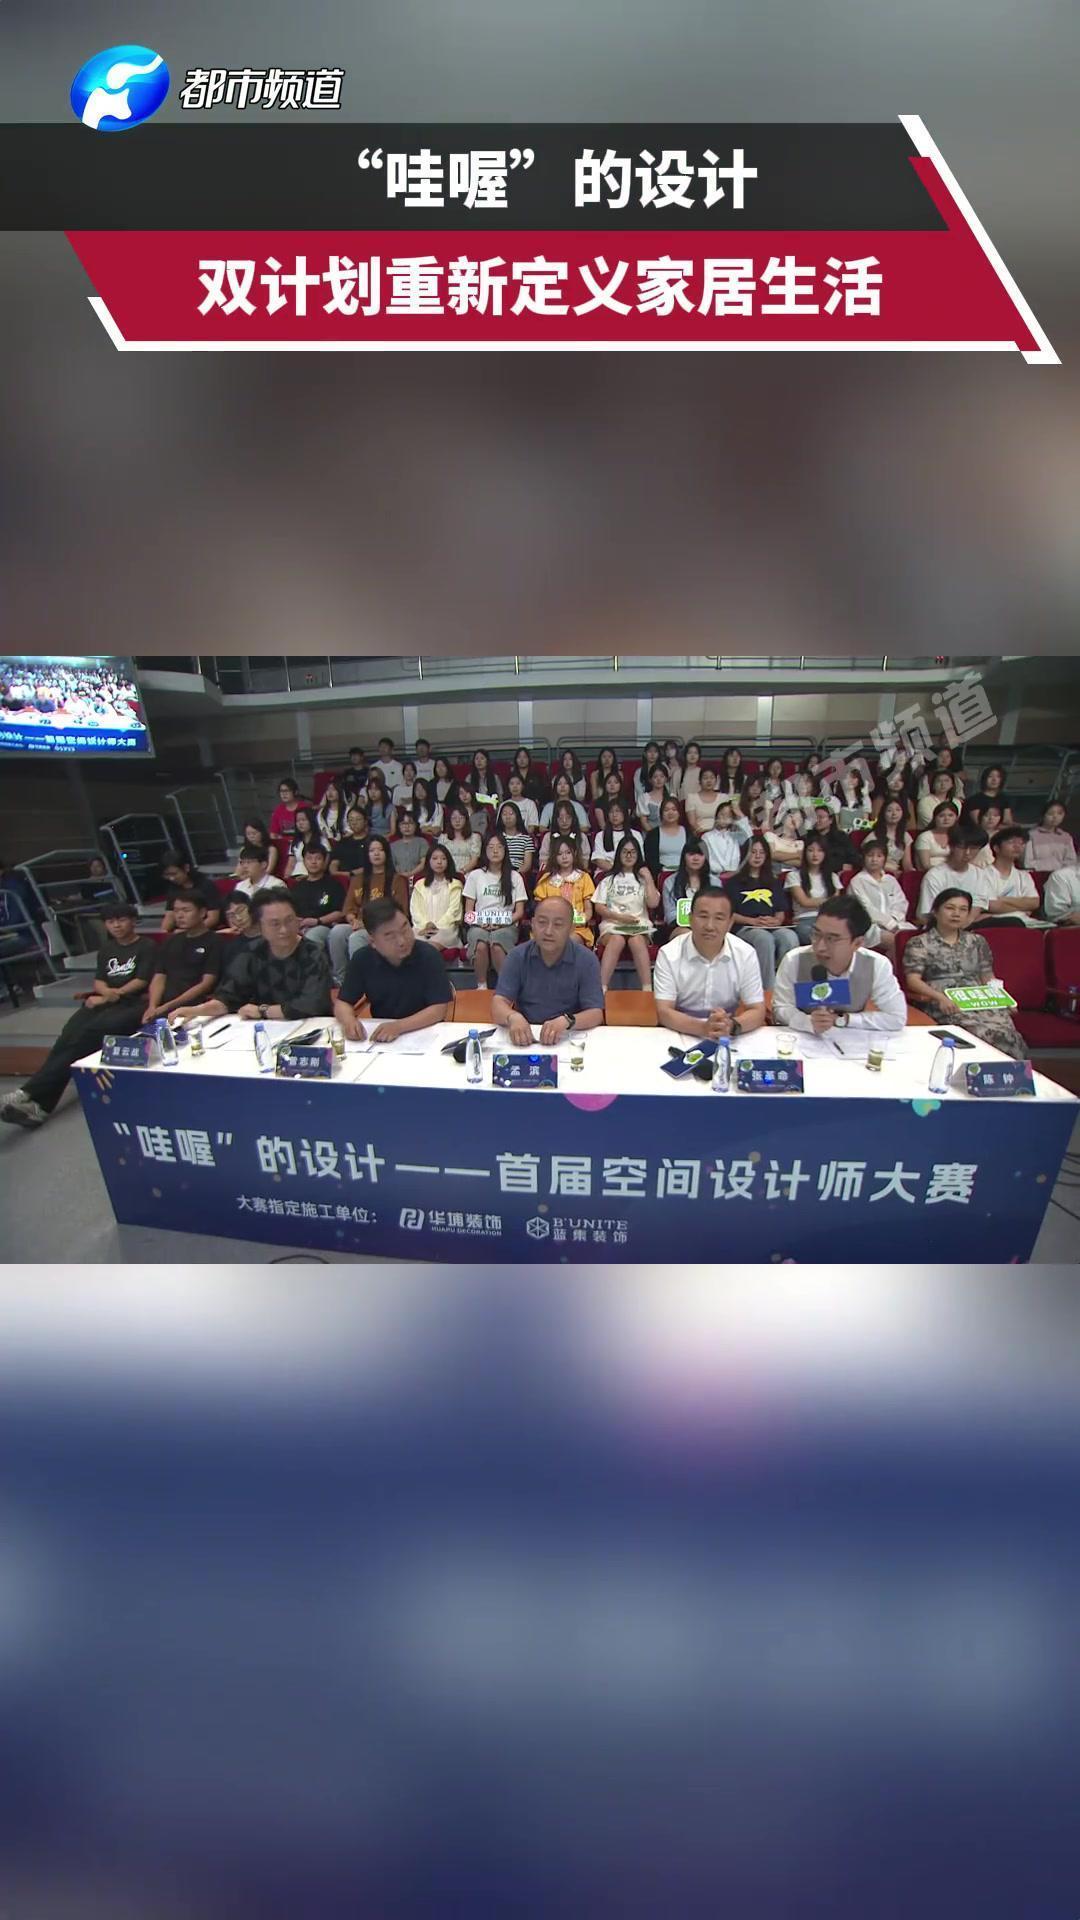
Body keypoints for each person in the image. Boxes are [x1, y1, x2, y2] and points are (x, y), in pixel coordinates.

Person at [1, 899, 158, 1130]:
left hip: (133, 1004)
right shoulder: (107, 949)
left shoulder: (147, 946)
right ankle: (39, 1107)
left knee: (84, 1038)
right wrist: (105, 994)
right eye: (110, 921)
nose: (116, 925)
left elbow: (141, 981)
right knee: (68, 1036)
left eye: (121, 920)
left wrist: (109, 996)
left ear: (133, 921)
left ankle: (29, 1093)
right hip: (104, 1001)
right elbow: (99, 980)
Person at [903, 890, 1029, 1059]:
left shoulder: (977, 941)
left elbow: (987, 976)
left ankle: (1012, 1074)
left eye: (963, 910)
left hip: (977, 998)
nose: (956, 914)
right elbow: (913, 980)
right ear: (936, 911)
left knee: (1008, 1033)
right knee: (980, 1033)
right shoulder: (919, 943)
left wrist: (1004, 999)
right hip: (944, 1000)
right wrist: (940, 998)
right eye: (950, 908)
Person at [184, 889, 333, 1023]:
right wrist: (196, 1011)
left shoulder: (314, 953)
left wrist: (263, 1011)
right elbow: (228, 997)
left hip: (311, 1026)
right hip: (267, 1027)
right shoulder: (251, 952)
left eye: (289, 920)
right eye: (275, 924)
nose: (284, 929)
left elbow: (312, 1004)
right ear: (259, 926)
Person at [773, 894, 907, 1034]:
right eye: (816, 934)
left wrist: (844, 1020)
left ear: (857, 943)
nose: (820, 947)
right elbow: (781, 1008)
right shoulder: (794, 960)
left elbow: (896, 1017)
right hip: (805, 1036)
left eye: (832, 939)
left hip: (852, 1038)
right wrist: (806, 1021)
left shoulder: (875, 965)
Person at [653, 886, 766, 1040]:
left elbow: (758, 1010)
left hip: (726, 1032)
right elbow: (664, 1012)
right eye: (703, 916)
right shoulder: (669, 954)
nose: (709, 926)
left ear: (730, 923)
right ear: (690, 918)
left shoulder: (745, 953)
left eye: (719, 918)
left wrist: (732, 1026)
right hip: (679, 1030)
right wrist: (703, 1028)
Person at [491, 896, 605, 1046]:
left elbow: (596, 1013)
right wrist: (512, 1017)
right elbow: (498, 1003)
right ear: (532, 924)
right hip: (527, 1036)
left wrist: (567, 1021)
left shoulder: (586, 960)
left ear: (571, 928)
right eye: (542, 922)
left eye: (558, 924)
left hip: (569, 1037)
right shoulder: (517, 956)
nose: (548, 931)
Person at [335, 898, 451, 1043]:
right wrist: (349, 1021)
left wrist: (398, 1027)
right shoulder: (362, 959)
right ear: (373, 942)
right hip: (383, 1036)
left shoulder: (429, 956)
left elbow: (438, 1010)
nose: (402, 941)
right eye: (390, 936)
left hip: (426, 1031)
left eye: (405, 929)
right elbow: (343, 1002)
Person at [332, 836, 409, 978]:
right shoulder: (358, 879)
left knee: (356, 938)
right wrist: (352, 920)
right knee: (337, 932)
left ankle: (360, 979)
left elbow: (400, 912)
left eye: (380, 850)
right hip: (358, 924)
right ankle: (340, 978)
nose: (376, 853)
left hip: (383, 926)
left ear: (386, 853)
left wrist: (365, 925)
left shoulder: (397, 880)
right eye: (372, 850)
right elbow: (349, 908)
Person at [726, 837, 799, 988]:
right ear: (745, 854)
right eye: (753, 852)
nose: (757, 856)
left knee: (789, 937)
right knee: (764, 939)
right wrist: (752, 921)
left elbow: (780, 912)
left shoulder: (773, 881)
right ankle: (767, 990)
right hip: (746, 927)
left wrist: (776, 921)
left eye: (761, 852)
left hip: (770, 926)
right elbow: (729, 914)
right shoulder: (733, 882)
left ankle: (786, 986)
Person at [142, 894, 225, 1025]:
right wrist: (152, 1006)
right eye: (176, 911)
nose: (180, 915)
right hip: (161, 1004)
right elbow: (159, 976)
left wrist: (167, 1006)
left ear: (202, 912)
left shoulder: (215, 941)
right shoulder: (170, 941)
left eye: (186, 910)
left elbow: (206, 983)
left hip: (193, 1005)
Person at [593, 836, 660, 990]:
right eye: (625, 852)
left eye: (633, 852)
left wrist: (648, 878)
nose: (629, 856)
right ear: (619, 854)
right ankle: (601, 988)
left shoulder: (643, 880)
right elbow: (599, 907)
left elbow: (653, 903)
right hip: (613, 925)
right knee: (617, 940)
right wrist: (619, 917)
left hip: (639, 926)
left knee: (636, 941)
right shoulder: (608, 880)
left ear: (638, 855)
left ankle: (647, 989)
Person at [462, 830, 528, 987]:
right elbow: (468, 913)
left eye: (499, 847)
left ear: (505, 850)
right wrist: (479, 923)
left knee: (497, 945)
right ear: (484, 851)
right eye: (491, 847)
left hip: (506, 923)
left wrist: (501, 923)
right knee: (480, 944)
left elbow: (519, 912)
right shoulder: (475, 875)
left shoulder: (515, 877)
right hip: (480, 923)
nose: (495, 851)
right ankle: (482, 985)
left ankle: (506, 987)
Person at [848, 837, 916, 959]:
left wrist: (894, 920)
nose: (874, 859)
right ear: (864, 857)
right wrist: (889, 924)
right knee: (896, 941)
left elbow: (901, 902)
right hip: (870, 926)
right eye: (870, 855)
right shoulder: (857, 881)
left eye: (879, 856)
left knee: (916, 939)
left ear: (884, 859)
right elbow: (867, 908)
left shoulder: (890, 880)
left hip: (897, 923)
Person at [917, 826, 993, 924]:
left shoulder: (979, 874)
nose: (967, 853)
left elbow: (978, 904)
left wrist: (966, 923)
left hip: (970, 924)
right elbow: (928, 914)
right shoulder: (935, 875)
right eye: (962, 847)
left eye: (973, 848)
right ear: (951, 846)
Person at [533, 835, 596, 945]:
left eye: (568, 853)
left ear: (574, 853)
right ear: (554, 856)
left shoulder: (584, 877)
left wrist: (577, 921)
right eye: (560, 854)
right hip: (551, 926)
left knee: (569, 941)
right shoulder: (546, 879)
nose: (564, 857)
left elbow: (588, 911)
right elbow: (540, 910)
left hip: (577, 928)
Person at [288, 844, 347, 962]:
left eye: (318, 858)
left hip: (323, 926)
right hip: (299, 926)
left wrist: (317, 921)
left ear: (325, 861)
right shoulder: (297, 887)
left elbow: (340, 912)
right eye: (309, 858)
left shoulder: (333, 885)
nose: (313, 862)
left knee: (312, 937)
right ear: (304, 861)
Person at [788, 835, 846, 946]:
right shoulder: (794, 876)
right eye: (811, 850)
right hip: (805, 920)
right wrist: (828, 901)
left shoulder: (833, 877)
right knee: (817, 938)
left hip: (829, 919)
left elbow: (835, 905)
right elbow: (804, 902)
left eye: (820, 851)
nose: (815, 854)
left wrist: (820, 902)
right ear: (805, 853)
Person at [980, 828, 1042, 925]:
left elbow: (1034, 903)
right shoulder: (983, 874)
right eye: (1011, 842)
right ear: (996, 848)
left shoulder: (1024, 876)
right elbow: (992, 906)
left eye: (1021, 843)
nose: (1017, 846)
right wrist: (1023, 906)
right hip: (995, 922)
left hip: (1026, 922)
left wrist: (1001, 899)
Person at [410, 844, 464, 949]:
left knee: (431, 945)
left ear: (448, 861)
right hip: (421, 927)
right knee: (412, 944)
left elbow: (454, 911)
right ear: (428, 861)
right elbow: (415, 910)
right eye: (435, 858)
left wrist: (435, 926)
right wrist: (425, 925)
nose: (439, 862)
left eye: (443, 859)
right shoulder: (419, 885)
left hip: (446, 929)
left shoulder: (455, 885)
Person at [159, 853, 222, 932]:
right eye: (167, 875)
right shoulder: (173, 888)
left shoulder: (206, 885)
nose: (171, 878)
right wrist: (164, 931)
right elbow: (170, 915)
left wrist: (189, 932)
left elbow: (213, 918)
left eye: (174, 874)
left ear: (186, 868)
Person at [662, 836, 710, 928]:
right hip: (679, 926)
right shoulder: (670, 882)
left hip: (707, 926)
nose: (696, 858)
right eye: (691, 854)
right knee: (687, 934)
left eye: (700, 854)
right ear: (684, 856)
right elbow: (670, 915)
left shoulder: (715, 882)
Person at [702, 802, 751, 881]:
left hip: (734, 876)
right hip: (714, 876)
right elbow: (706, 859)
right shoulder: (706, 836)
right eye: (722, 814)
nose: (725, 818)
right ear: (716, 816)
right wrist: (723, 871)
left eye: (729, 816)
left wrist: (741, 815)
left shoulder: (736, 836)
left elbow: (750, 839)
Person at [591, 799, 643, 875]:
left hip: (630, 871)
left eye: (618, 811)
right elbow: (599, 860)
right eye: (611, 812)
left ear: (625, 813)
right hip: (607, 872)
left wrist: (627, 872)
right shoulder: (600, 835)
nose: (614, 815)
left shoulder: (636, 834)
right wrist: (618, 872)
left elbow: (640, 859)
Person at [642, 795, 687, 880]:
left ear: (679, 813)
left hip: (685, 874)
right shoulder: (653, 835)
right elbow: (650, 860)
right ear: (661, 813)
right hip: (662, 875)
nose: (670, 813)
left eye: (674, 809)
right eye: (666, 810)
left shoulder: (687, 833)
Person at [538, 800, 590, 871]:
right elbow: (543, 861)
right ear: (555, 819)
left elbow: (584, 862)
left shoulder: (582, 837)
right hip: (553, 873)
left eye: (568, 817)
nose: (564, 821)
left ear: (573, 818)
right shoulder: (548, 837)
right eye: (560, 818)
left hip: (576, 873)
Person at [1026, 801, 1076, 872]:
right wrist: (1052, 865)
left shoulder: (1066, 837)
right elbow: (1027, 863)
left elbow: (1071, 860)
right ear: (1043, 815)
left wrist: (1060, 870)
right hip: (1038, 874)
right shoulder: (1031, 835)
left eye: (1060, 813)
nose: (1055, 817)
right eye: (1050, 813)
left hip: (1062, 875)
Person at [914, 801, 961, 872]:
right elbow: (925, 865)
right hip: (930, 873)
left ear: (956, 818)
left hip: (953, 872)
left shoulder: (958, 836)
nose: (946, 819)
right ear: (935, 818)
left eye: (950, 815)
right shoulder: (925, 837)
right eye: (941, 816)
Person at [439, 803, 482, 876]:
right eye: (454, 818)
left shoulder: (475, 837)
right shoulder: (443, 837)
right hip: (446, 873)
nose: (457, 821)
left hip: (466, 873)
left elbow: (474, 860)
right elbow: (440, 857)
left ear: (466, 819)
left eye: (461, 818)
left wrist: (462, 872)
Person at [328, 805, 370, 878]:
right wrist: (335, 873)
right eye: (351, 820)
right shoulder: (343, 842)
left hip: (364, 878)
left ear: (365, 821)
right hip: (342, 878)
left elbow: (372, 866)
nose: (354, 822)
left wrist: (351, 874)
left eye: (358, 819)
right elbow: (334, 862)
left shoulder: (372, 841)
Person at [283, 805, 322, 879]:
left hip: (314, 877)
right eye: (298, 821)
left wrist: (308, 877)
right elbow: (290, 864)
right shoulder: (295, 842)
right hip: (295, 876)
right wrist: (286, 878)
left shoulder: (322, 840)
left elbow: (324, 866)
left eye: (303, 820)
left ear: (311, 820)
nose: (300, 823)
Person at [765, 807, 807, 876]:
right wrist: (797, 854)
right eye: (791, 816)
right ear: (784, 818)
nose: (794, 819)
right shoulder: (770, 836)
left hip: (792, 875)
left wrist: (777, 858)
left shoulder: (801, 843)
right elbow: (771, 854)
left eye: (799, 819)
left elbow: (800, 863)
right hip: (771, 873)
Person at [877, 798, 914, 874]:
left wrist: (911, 872)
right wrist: (891, 871)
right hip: (878, 871)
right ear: (883, 814)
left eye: (898, 810)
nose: (894, 813)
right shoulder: (874, 836)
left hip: (896, 873)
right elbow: (869, 862)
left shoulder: (905, 836)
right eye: (889, 810)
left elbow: (907, 863)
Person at [497, 802, 535, 875]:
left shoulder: (526, 839)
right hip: (498, 872)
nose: (508, 817)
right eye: (504, 814)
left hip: (517, 873)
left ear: (517, 816)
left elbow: (527, 865)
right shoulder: (496, 838)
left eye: (511, 814)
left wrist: (515, 874)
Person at [684, 766, 723, 836]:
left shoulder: (724, 797)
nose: (709, 781)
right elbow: (692, 822)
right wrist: (705, 834)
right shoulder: (691, 798)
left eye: (712, 778)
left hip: (720, 834)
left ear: (716, 780)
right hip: (700, 835)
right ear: (700, 781)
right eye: (705, 778)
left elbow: (727, 819)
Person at [390, 810, 429, 876]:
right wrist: (401, 875)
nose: (407, 827)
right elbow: (393, 865)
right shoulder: (393, 845)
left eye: (410, 823)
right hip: (399, 877)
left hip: (418, 877)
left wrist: (410, 874)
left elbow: (423, 863)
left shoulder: (422, 842)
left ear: (415, 825)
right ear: (399, 826)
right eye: (403, 823)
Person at [637, 763, 672, 832]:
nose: (659, 779)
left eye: (662, 776)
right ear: (650, 780)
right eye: (655, 777)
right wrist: (655, 835)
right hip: (650, 834)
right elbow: (644, 822)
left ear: (666, 779)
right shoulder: (643, 798)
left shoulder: (672, 797)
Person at [364, 771, 397, 839]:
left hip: (385, 838)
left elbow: (393, 831)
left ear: (382, 791)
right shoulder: (366, 808)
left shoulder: (390, 808)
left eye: (376, 789)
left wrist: (380, 839)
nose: (373, 792)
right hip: (369, 839)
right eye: (370, 789)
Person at [315, 781, 347, 847]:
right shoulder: (322, 812)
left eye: (333, 789)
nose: (330, 792)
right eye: (328, 790)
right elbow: (322, 831)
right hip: (327, 845)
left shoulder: (347, 810)